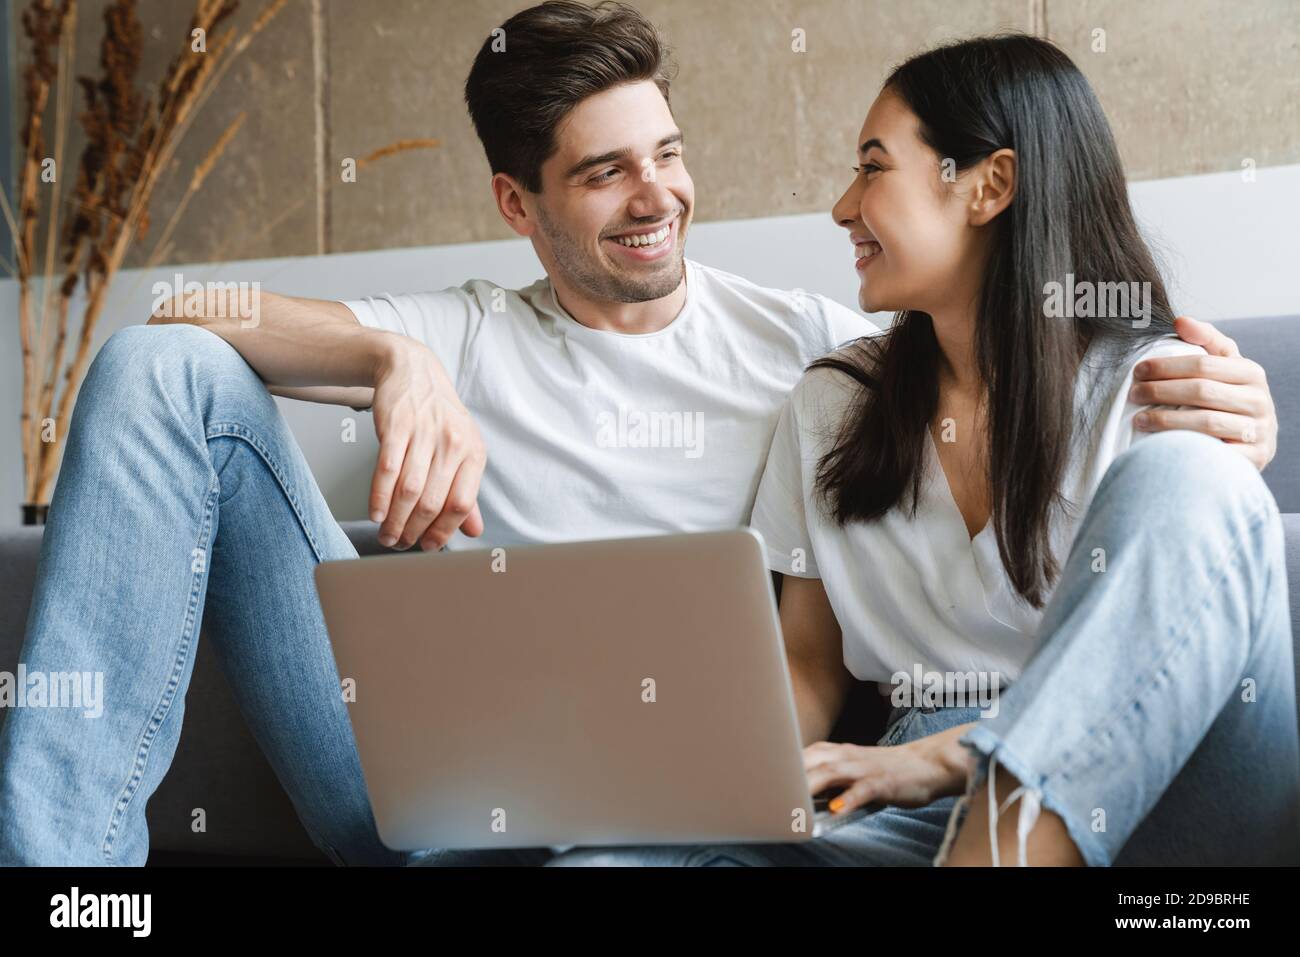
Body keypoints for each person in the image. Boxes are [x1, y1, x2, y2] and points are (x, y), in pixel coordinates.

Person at [0, 3, 1279, 867]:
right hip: (429, 792)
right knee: (162, 365)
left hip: (689, 806)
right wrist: (389, 358)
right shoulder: (464, 330)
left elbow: (1037, 375)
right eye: (604, 171)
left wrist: (1243, 424)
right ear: (519, 202)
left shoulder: (813, 347)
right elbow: (184, 307)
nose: (656, 194)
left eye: (663, 153)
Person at [526, 32, 1299, 868]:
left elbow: (1181, 653)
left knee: (1184, 473)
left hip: (1153, 800)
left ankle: (1002, 823)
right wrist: (712, 787)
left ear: (988, 185)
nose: (842, 206)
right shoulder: (832, 404)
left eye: (873, 167)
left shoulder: (1157, 392)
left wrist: (952, 755)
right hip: (902, 800)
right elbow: (807, 667)